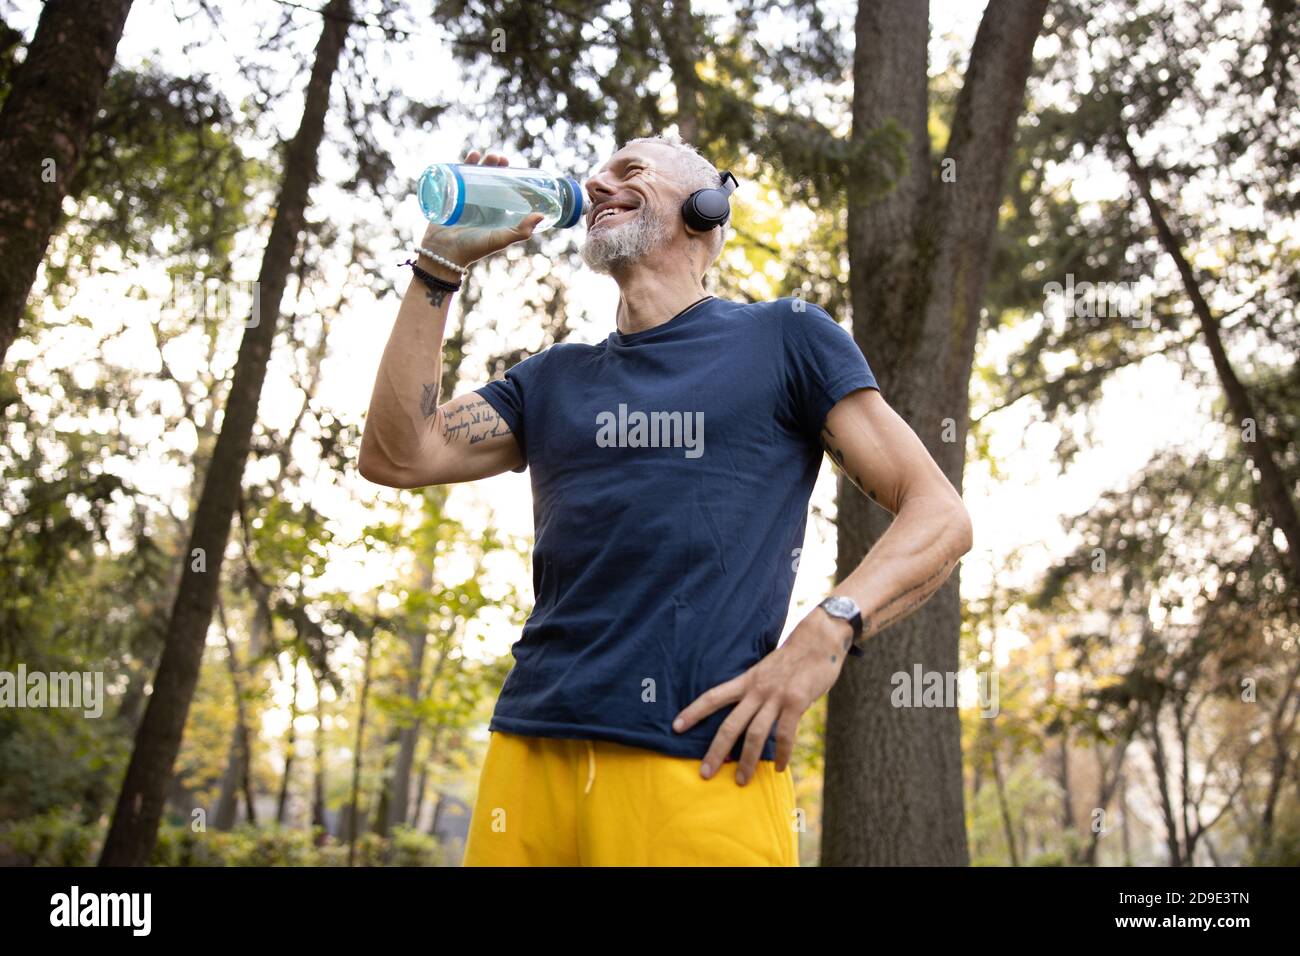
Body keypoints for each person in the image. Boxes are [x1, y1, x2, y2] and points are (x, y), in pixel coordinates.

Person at [358, 135, 973, 866]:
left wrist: (826, 631)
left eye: (631, 170)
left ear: (707, 210)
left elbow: (939, 514)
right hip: (528, 748)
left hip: (697, 753)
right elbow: (398, 454)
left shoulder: (786, 338)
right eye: (597, 174)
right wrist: (439, 263)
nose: (597, 182)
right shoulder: (552, 380)